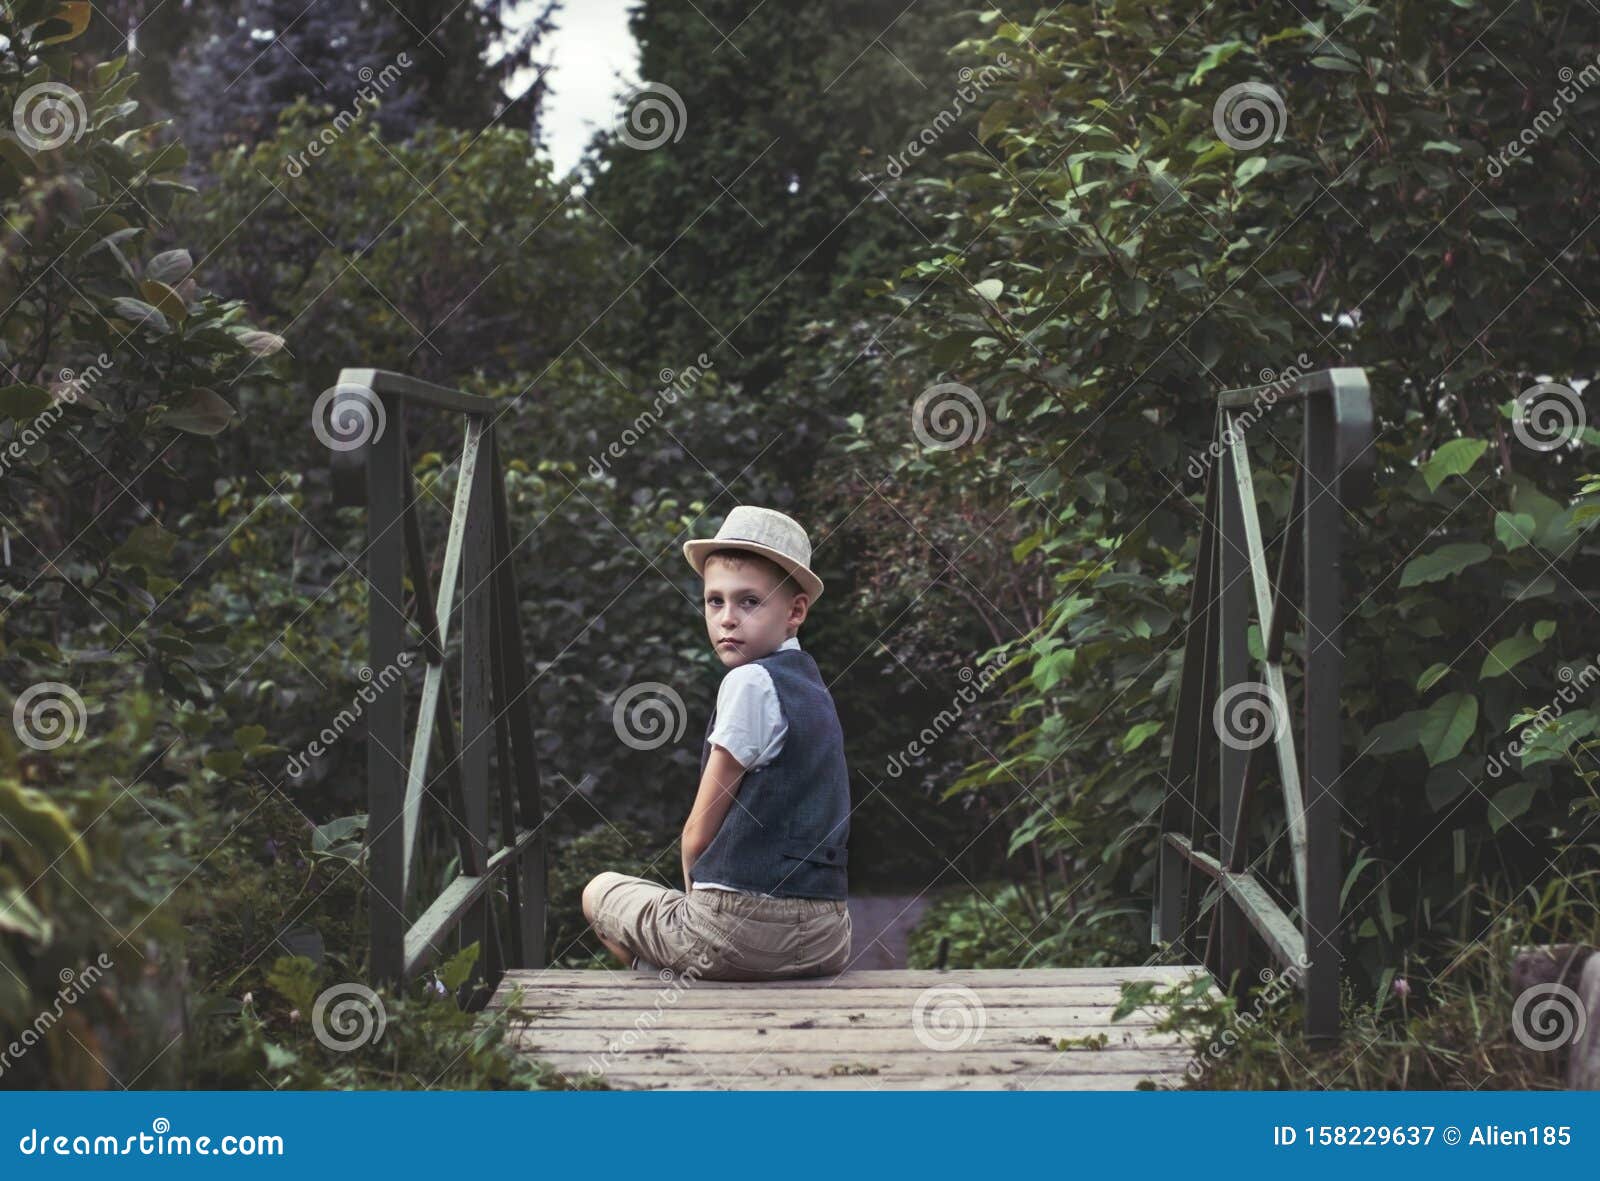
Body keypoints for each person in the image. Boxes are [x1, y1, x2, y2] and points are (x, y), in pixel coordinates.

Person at [581, 505, 852, 981]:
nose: (727, 619)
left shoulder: (749, 682)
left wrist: (695, 911)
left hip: (737, 935)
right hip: (828, 938)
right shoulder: (811, 688)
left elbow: (698, 834)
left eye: (749, 602)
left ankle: (675, 976)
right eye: (714, 602)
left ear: (795, 611)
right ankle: (685, 970)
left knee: (599, 892)